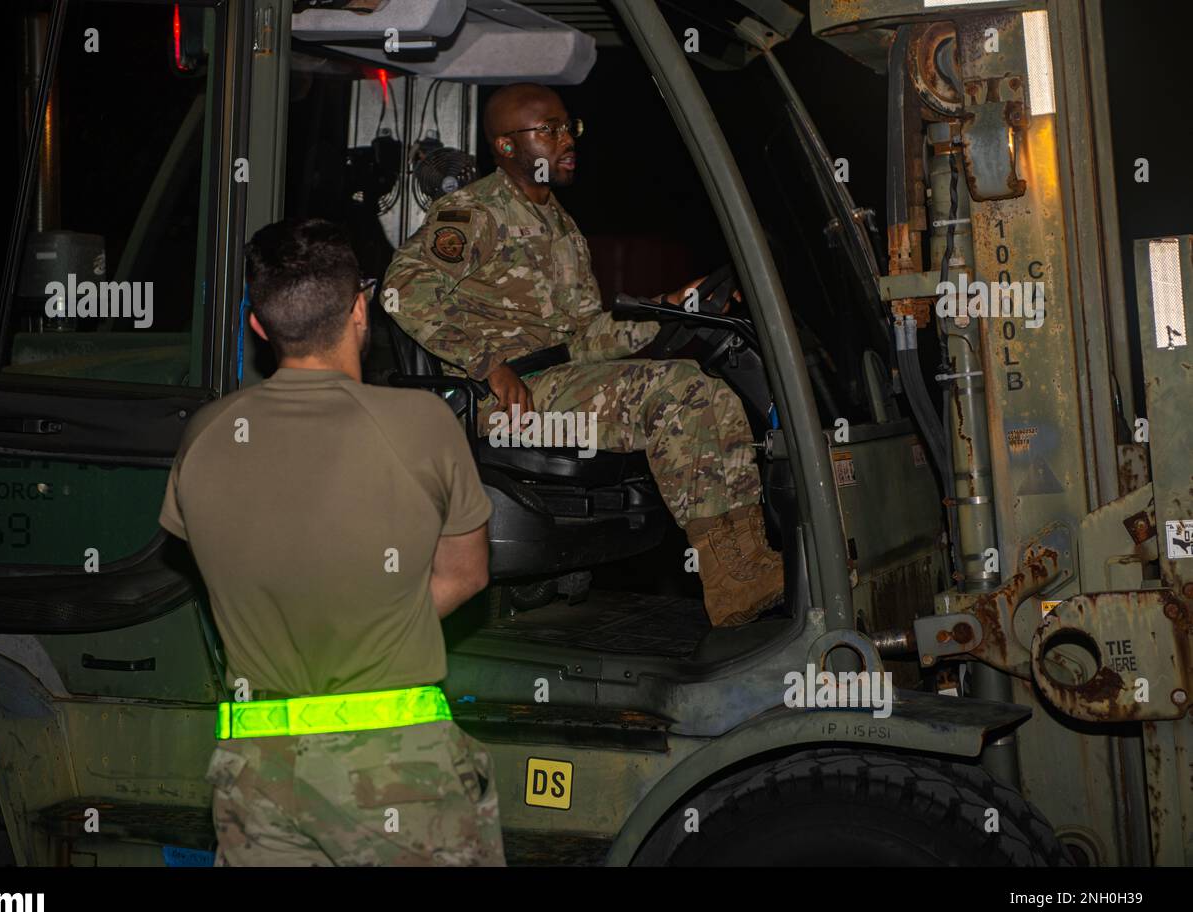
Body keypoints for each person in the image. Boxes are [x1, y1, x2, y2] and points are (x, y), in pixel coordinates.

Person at [159, 218, 504, 866]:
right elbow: (466, 575)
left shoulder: (207, 434)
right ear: (359, 309)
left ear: (259, 327)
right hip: (395, 769)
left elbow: (215, 567)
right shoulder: (422, 426)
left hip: (256, 773)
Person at [383, 83, 783, 627]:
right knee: (679, 391)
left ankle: (748, 561)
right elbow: (402, 289)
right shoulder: (475, 212)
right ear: (505, 145)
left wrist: (667, 309)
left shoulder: (561, 225)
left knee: (694, 378)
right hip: (503, 403)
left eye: (569, 126)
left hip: (560, 380)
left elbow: (584, 336)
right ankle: (737, 577)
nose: (566, 138)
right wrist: (486, 364)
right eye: (547, 129)